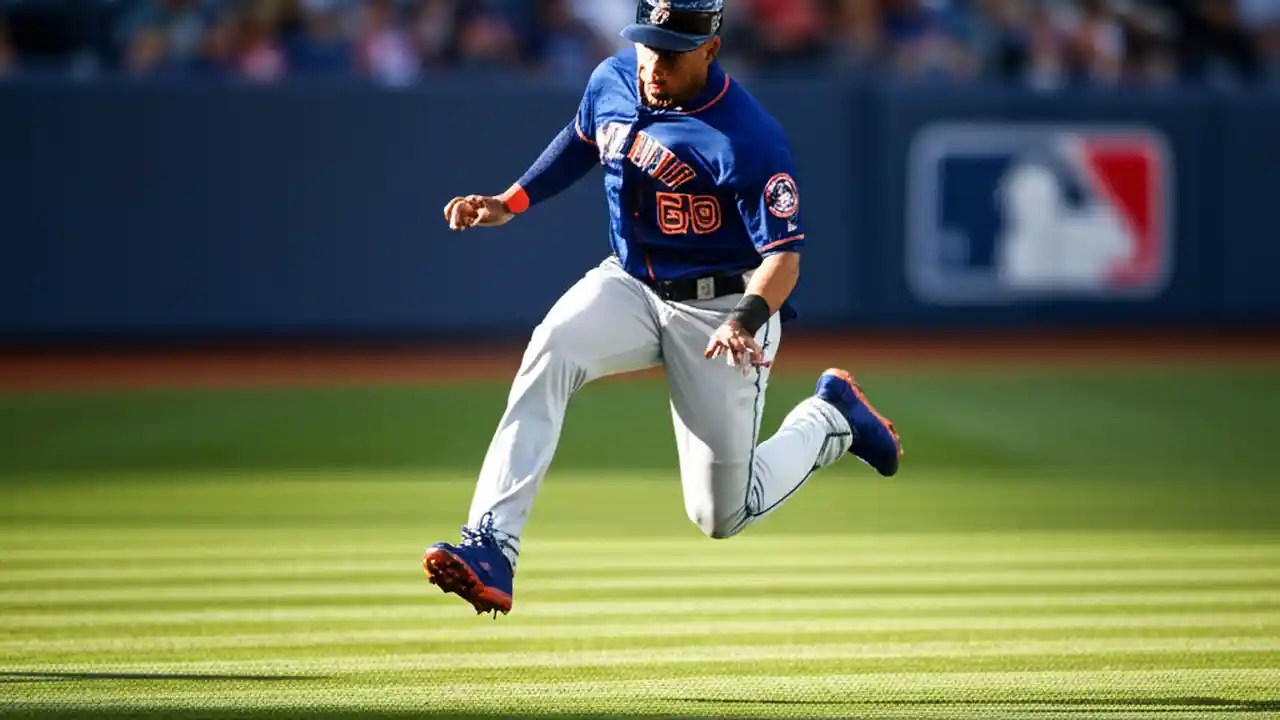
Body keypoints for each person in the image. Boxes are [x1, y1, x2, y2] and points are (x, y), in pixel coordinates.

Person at [423, 0, 903, 616]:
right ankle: (492, 544)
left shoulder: (746, 138)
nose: (654, 64)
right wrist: (509, 201)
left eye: (673, 53)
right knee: (552, 347)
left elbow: (784, 259)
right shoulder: (614, 78)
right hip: (631, 285)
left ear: (711, 49)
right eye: (648, 45)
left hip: (722, 307)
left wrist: (745, 321)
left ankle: (831, 419)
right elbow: (580, 140)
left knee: (720, 514)